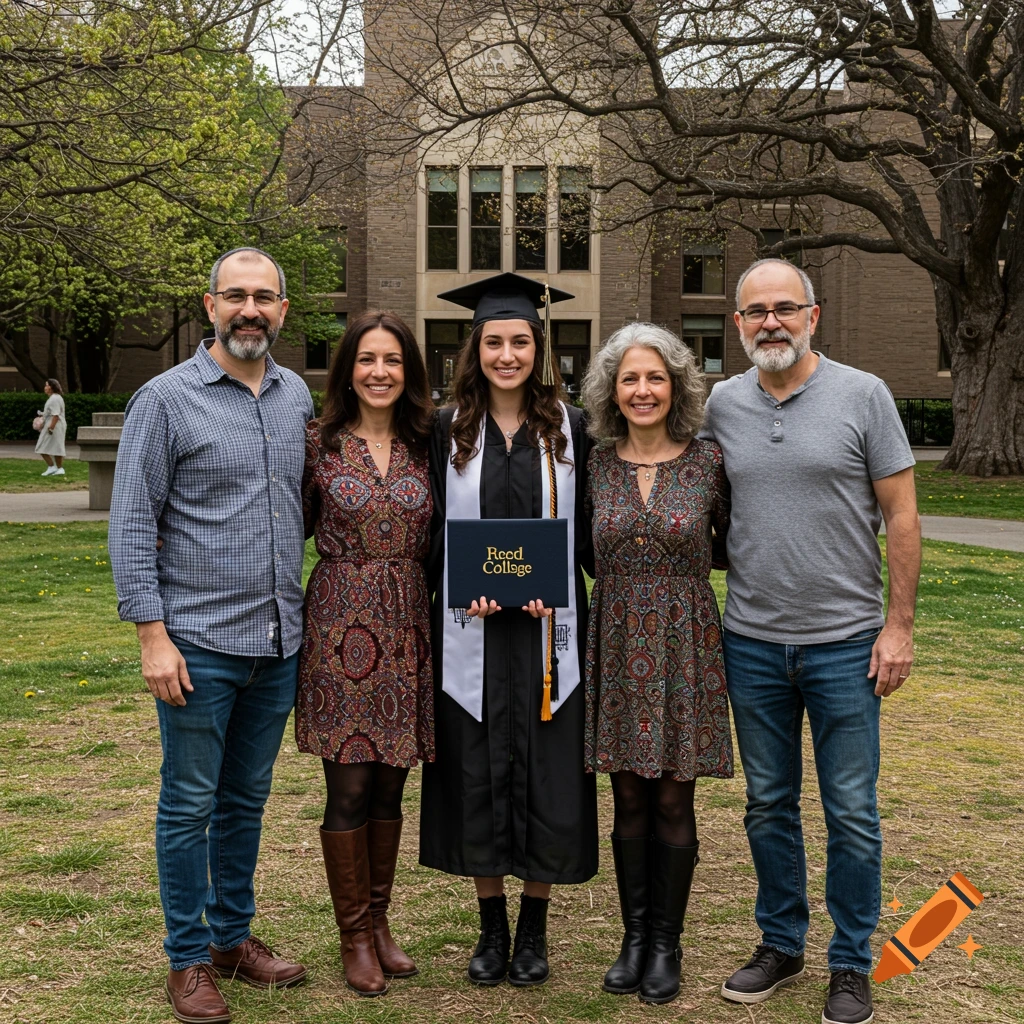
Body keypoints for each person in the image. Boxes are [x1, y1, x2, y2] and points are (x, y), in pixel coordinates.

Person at [703, 258, 920, 1024]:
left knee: (852, 810)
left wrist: (898, 627)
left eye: (784, 308)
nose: (771, 321)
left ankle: (851, 962)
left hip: (846, 645)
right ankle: (781, 942)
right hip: (753, 641)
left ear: (813, 316)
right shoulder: (721, 405)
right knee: (768, 805)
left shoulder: (864, 395)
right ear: (737, 325)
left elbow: (901, 516)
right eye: (755, 311)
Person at [109, 247, 311, 1024]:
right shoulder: (165, 400)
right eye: (237, 296)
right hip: (197, 644)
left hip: (277, 641)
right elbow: (132, 521)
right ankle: (187, 959)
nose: (250, 309)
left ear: (283, 310)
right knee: (189, 802)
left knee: (247, 800)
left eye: (264, 297)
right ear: (210, 305)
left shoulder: (296, 397)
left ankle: (232, 938)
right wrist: (152, 637)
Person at [420, 272, 598, 988]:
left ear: (538, 346)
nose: (507, 354)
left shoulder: (571, 426)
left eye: (520, 341)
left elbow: (586, 532)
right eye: (494, 341)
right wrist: (468, 587)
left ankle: (534, 929)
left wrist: (553, 588)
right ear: (476, 347)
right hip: (475, 632)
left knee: (550, 771)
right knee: (476, 766)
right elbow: (433, 526)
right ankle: (490, 927)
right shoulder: (445, 428)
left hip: (549, 633)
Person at [580, 322, 733, 1005]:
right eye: (630, 379)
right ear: (612, 390)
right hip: (613, 635)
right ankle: (633, 937)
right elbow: (575, 553)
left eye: (655, 378)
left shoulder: (709, 462)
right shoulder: (593, 463)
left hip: (683, 641)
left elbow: (732, 545)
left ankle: (667, 943)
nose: (643, 391)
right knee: (627, 796)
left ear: (677, 387)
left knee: (673, 795)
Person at [296, 310, 436, 996]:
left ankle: (380, 922)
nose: (380, 372)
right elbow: (283, 527)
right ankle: (352, 935)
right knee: (348, 784)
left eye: (393, 361)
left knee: (391, 781)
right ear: (348, 369)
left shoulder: (425, 445)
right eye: (367, 360)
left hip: (408, 623)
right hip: (339, 623)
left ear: (409, 372)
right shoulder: (317, 445)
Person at [36, 378, 67, 476]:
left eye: (47, 385)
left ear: (52, 387)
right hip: (54, 424)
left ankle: (53, 467)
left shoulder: (54, 399)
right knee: (56, 447)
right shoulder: (55, 398)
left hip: (55, 425)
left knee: (41, 446)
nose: (45, 387)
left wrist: (51, 428)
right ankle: (58, 468)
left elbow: (56, 415)